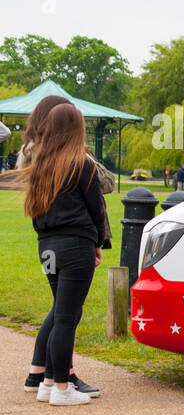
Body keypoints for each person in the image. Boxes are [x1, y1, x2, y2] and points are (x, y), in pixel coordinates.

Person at [16, 94, 107, 398]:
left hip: (48, 247)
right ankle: (62, 386)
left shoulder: (40, 166)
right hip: (75, 245)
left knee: (60, 313)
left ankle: (46, 381)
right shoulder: (82, 164)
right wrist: (97, 242)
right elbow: (97, 208)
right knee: (67, 318)